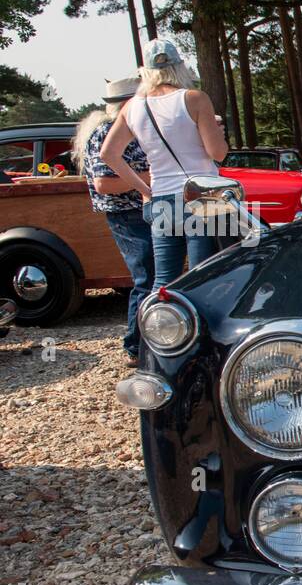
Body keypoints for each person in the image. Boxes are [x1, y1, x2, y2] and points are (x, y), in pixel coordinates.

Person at [101, 37, 229, 292]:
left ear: (145, 71)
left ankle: (157, 328)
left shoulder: (132, 107)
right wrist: (220, 134)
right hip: (203, 194)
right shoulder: (195, 99)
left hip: (161, 196)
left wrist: (144, 190)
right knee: (201, 276)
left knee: (163, 279)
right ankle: (200, 331)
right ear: (180, 66)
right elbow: (218, 154)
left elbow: (109, 154)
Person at [74, 77, 153, 366]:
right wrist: (149, 180)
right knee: (147, 275)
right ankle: (135, 346)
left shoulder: (131, 131)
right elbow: (104, 184)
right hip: (127, 213)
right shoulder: (106, 133)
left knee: (153, 275)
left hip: (141, 210)